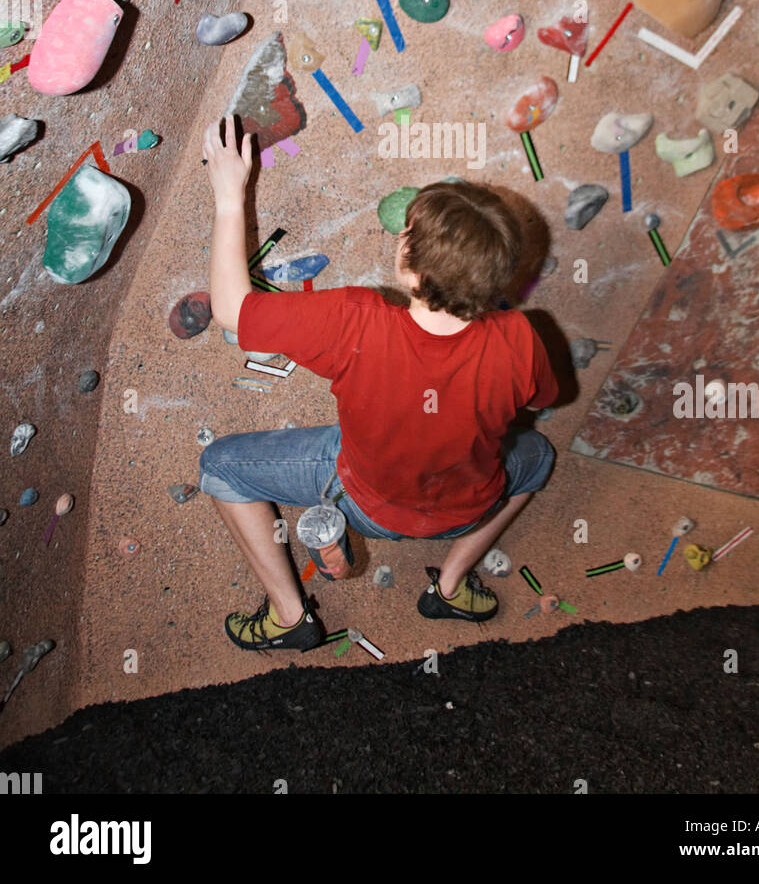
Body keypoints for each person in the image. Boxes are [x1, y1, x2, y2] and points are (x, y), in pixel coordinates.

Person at [199, 117, 558, 652]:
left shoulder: (355, 319)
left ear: (409, 269)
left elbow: (231, 310)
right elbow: (542, 399)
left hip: (364, 504)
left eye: (406, 235)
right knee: (540, 456)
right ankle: (452, 583)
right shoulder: (523, 337)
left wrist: (230, 195)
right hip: (468, 506)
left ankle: (288, 615)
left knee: (219, 466)